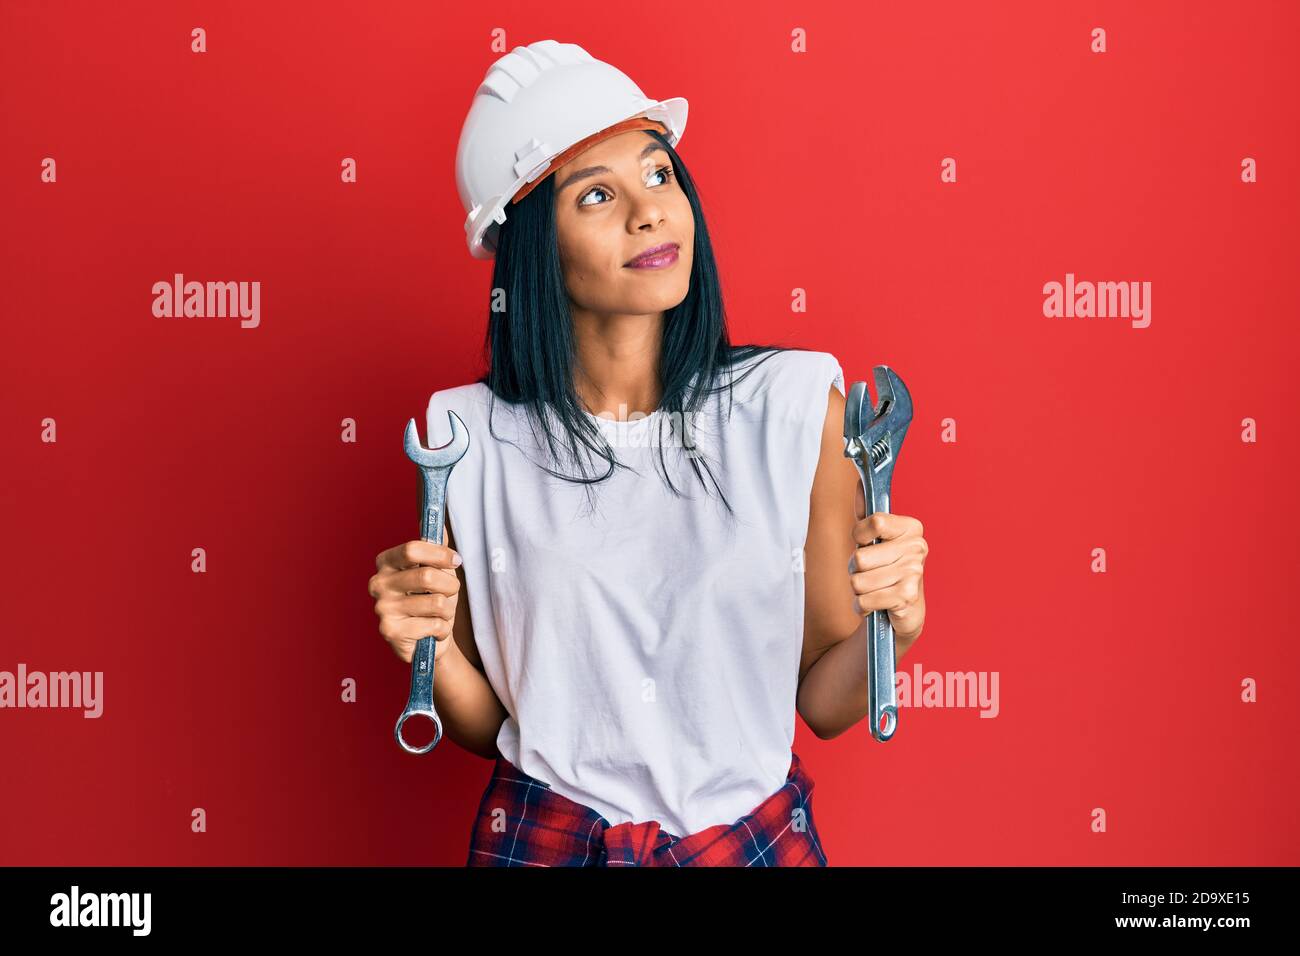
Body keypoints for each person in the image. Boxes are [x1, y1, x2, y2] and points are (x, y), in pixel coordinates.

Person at [368, 40, 929, 866]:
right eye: (596, 195)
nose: (650, 212)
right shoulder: (465, 440)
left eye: (659, 173)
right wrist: (429, 648)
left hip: (749, 845)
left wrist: (899, 626)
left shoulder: (799, 408)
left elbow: (824, 700)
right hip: (546, 843)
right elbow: (494, 729)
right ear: (530, 251)